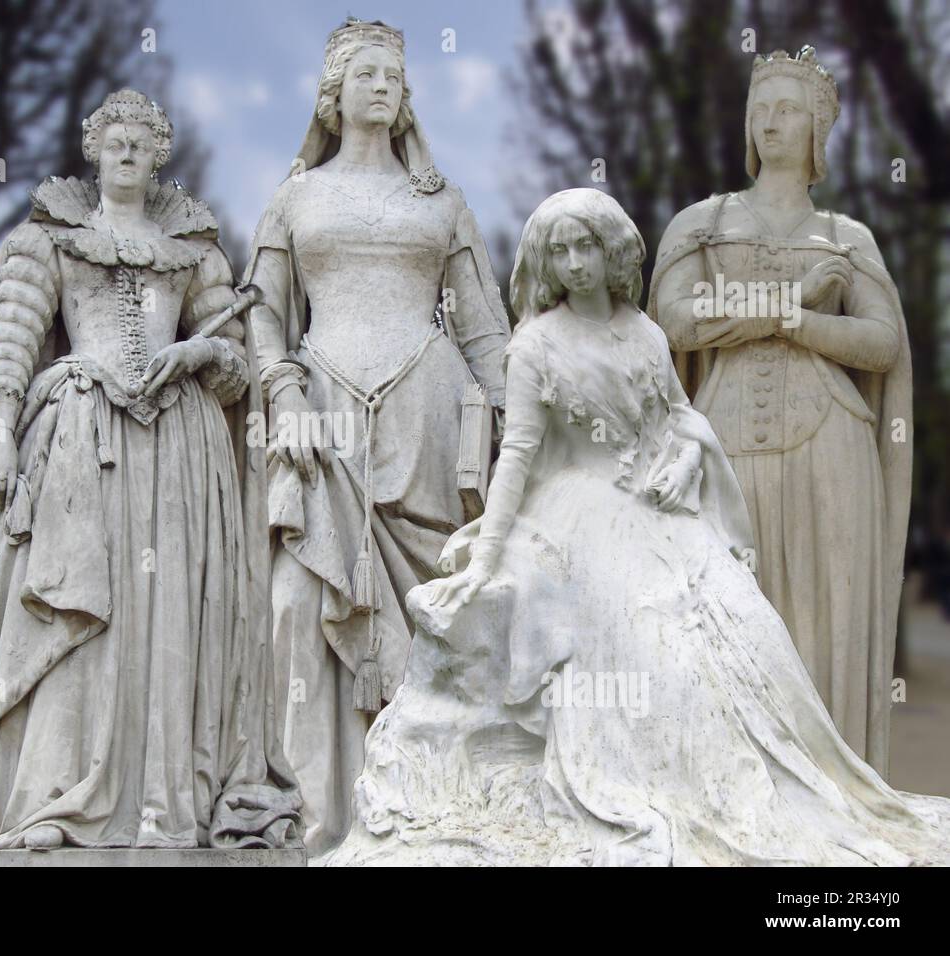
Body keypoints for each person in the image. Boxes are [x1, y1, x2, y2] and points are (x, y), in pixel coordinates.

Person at [328, 188, 950, 866]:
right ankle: (641, 788)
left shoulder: (647, 335)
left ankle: (736, 794)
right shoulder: (535, 345)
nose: (574, 264)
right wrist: (487, 551)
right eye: (560, 251)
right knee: (639, 636)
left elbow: (679, 417)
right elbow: (518, 457)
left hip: (659, 512)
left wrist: (687, 455)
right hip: (577, 513)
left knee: (744, 627)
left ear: (611, 249)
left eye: (585, 246)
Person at [0, 90, 301, 851]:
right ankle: (56, 794)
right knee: (85, 613)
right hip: (82, 434)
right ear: (92, 148)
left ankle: (160, 798)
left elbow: (236, 366)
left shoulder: (194, 246)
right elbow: (12, 336)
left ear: (158, 157)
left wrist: (199, 350)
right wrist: (1, 432)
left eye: (140, 142)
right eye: (113, 139)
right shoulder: (49, 237)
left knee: (169, 614)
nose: (125, 151)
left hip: (180, 448)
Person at [242, 17, 510, 853]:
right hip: (319, 423)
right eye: (365, 72)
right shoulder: (294, 197)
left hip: (428, 423)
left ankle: (419, 822)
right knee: (298, 604)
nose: (383, 84)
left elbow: (486, 329)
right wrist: (282, 394)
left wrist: (517, 427)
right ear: (333, 92)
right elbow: (263, 317)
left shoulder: (443, 200)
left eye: (394, 74)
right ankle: (320, 823)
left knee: (436, 613)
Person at [649, 48, 912, 774]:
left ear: (818, 126)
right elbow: (676, 322)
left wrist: (798, 328)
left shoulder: (848, 237)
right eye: (759, 107)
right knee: (720, 622)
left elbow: (882, 345)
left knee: (824, 627)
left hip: (832, 450)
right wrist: (791, 303)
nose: (770, 121)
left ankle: (832, 797)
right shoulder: (701, 223)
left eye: (788, 107)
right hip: (721, 445)